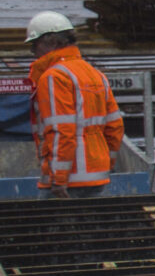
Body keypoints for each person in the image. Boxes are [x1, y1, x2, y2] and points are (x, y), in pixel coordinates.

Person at [25, 10, 123, 194]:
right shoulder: (95, 74)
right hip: (97, 178)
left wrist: (59, 179)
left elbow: (61, 131)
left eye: (35, 45)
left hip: (67, 183)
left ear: (52, 42)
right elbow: (115, 127)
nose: (33, 52)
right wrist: (104, 163)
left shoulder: (54, 77)